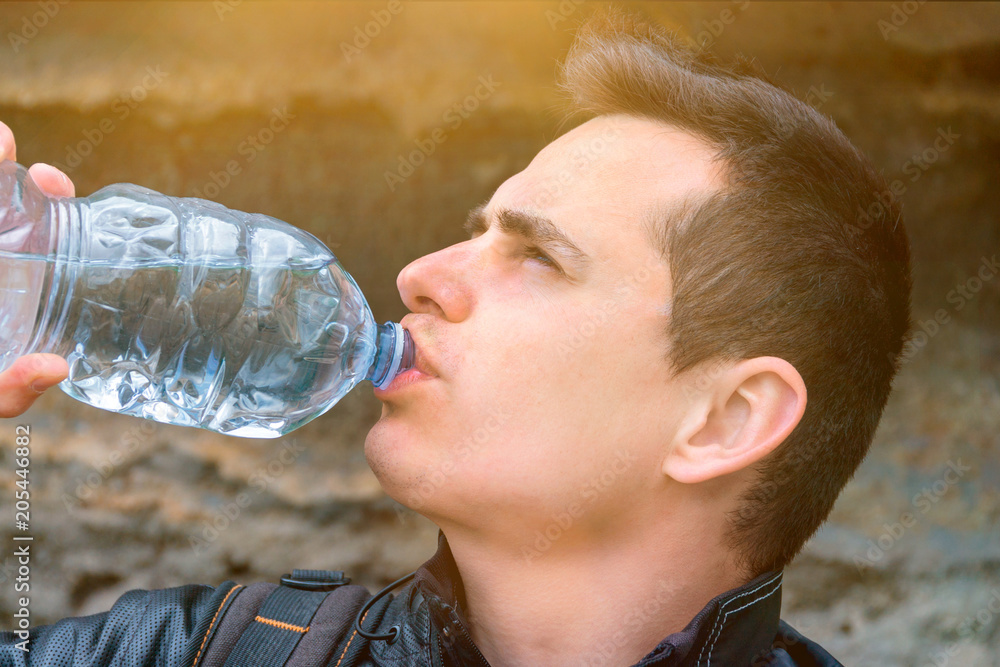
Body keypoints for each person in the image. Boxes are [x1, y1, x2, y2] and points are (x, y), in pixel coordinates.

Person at [1, 9, 911, 667]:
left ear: (724, 420)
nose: (421, 274)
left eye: (539, 257)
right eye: (477, 231)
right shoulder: (199, 653)